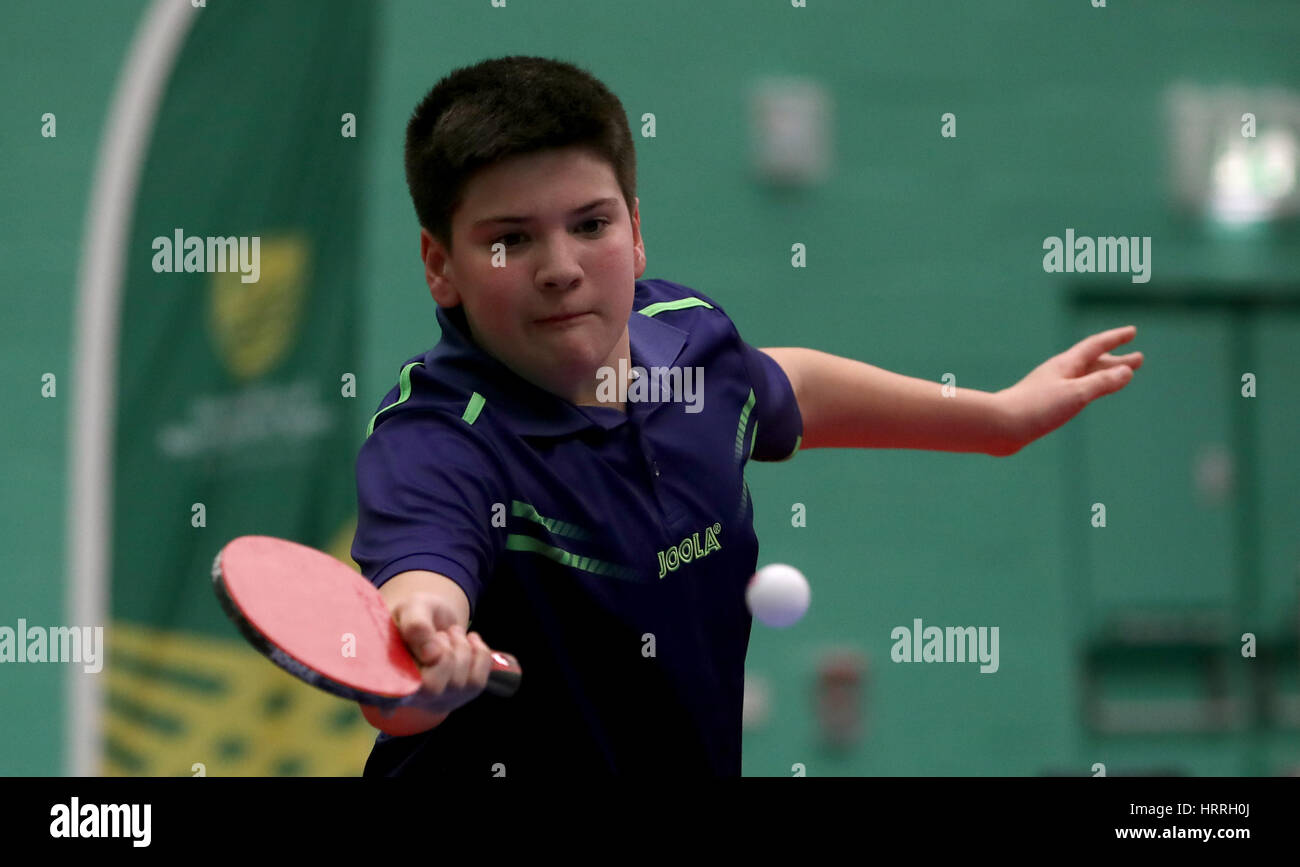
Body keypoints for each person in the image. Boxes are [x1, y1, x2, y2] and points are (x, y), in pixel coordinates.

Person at [352, 55, 1143, 777]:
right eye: (511, 240)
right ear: (439, 265)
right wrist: (424, 648)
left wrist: (996, 421)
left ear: (636, 230)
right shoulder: (440, 438)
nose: (561, 269)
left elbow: (787, 383)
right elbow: (413, 616)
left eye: (591, 225)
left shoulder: (690, 343)